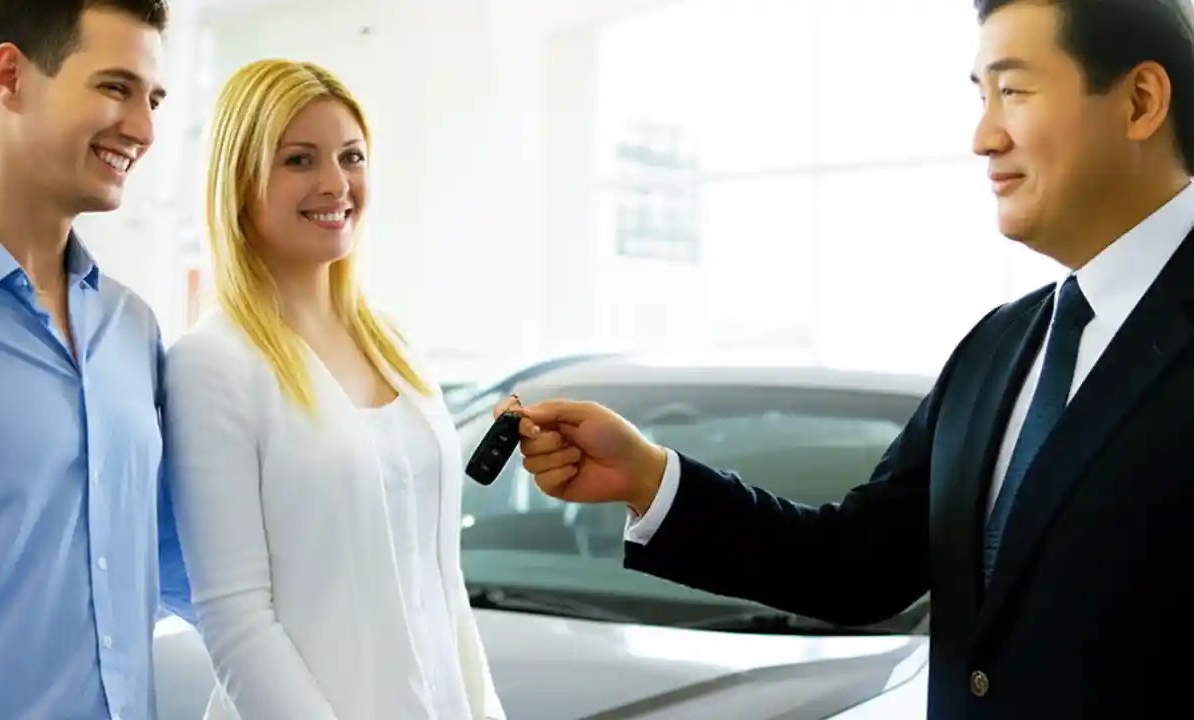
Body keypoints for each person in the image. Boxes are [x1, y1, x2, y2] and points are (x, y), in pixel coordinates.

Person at [506, 1, 1194, 717]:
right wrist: (649, 477)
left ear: (1140, 101)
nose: (983, 137)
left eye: (1014, 91)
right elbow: (855, 565)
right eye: (980, 96)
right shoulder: (1002, 345)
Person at [162, 58, 506, 720]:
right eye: (299, 160)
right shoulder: (211, 365)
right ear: (240, 183)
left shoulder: (392, 344)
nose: (335, 183)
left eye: (351, 157)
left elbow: (441, 585)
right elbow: (237, 623)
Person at [0, 1, 190, 719]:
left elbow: (189, 572)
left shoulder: (133, 331)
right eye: (114, 87)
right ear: (10, 77)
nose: (145, 128)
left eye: (154, 98)